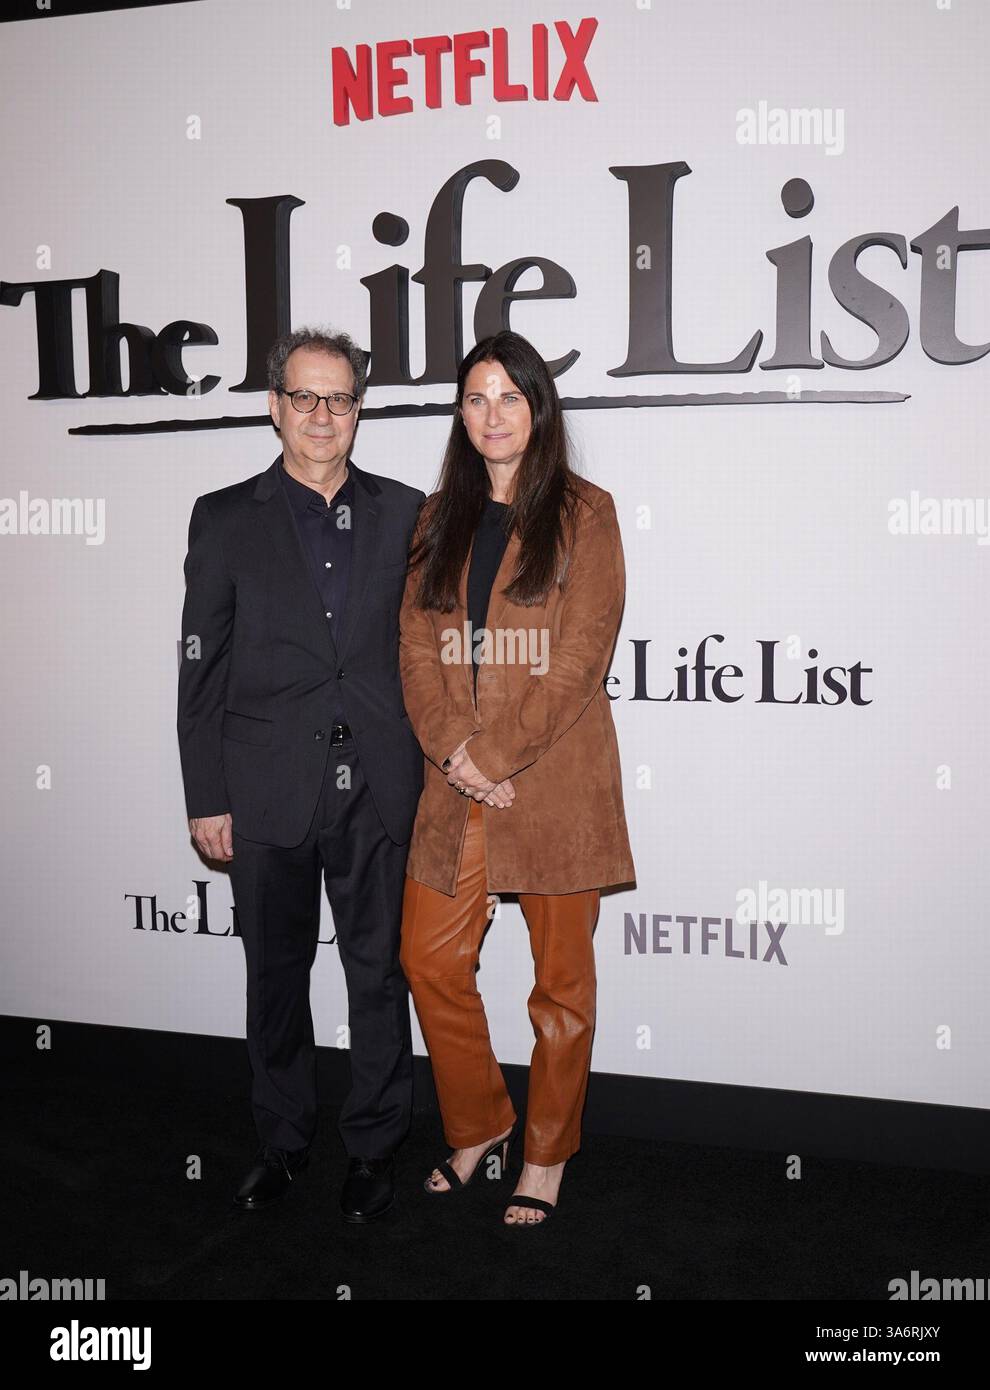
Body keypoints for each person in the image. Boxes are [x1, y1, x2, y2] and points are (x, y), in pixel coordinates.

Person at [176, 326, 425, 1222]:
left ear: (360, 410)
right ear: (275, 406)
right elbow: (200, 663)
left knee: (377, 977)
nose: (324, 415)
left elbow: (432, 655)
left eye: (342, 398)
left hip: (379, 789)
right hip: (266, 788)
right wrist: (206, 794)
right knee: (274, 978)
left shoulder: (407, 511)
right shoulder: (223, 515)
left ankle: (373, 1147)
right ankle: (282, 1144)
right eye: (305, 397)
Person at [398, 330, 636, 1226]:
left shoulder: (588, 512)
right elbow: (417, 648)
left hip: (557, 783)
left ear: (538, 406)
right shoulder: (435, 518)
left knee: (560, 988)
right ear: (460, 415)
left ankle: (545, 1154)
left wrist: (494, 758)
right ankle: (480, 1122)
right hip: (452, 785)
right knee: (427, 959)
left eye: (510, 396)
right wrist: (458, 751)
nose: (492, 415)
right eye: (475, 398)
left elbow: (578, 661)